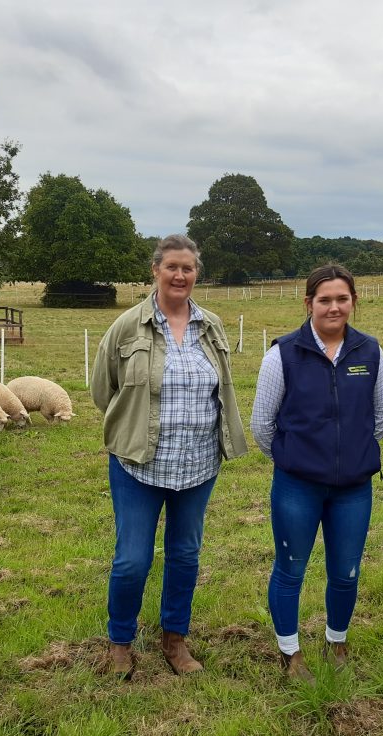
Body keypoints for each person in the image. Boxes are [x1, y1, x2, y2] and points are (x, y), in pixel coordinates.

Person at [91, 234, 248, 679]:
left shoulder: (211, 326)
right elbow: (104, 391)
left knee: (185, 555)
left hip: (198, 465)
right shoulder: (126, 327)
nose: (180, 275)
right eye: (172, 267)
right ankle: (120, 642)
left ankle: (174, 640)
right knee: (132, 559)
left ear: (197, 274)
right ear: (155, 271)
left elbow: (223, 386)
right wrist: (133, 426)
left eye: (189, 268)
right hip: (138, 464)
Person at [251, 264, 383, 683]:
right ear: (309, 302)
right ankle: (290, 652)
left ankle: (337, 641)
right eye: (325, 299)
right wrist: (295, 457)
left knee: (346, 571)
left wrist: (351, 452)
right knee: (290, 568)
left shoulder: (371, 352)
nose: (334, 307)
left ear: (354, 302)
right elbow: (262, 424)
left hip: (353, 489)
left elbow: (382, 416)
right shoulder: (282, 354)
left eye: (342, 299)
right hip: (297, 487)